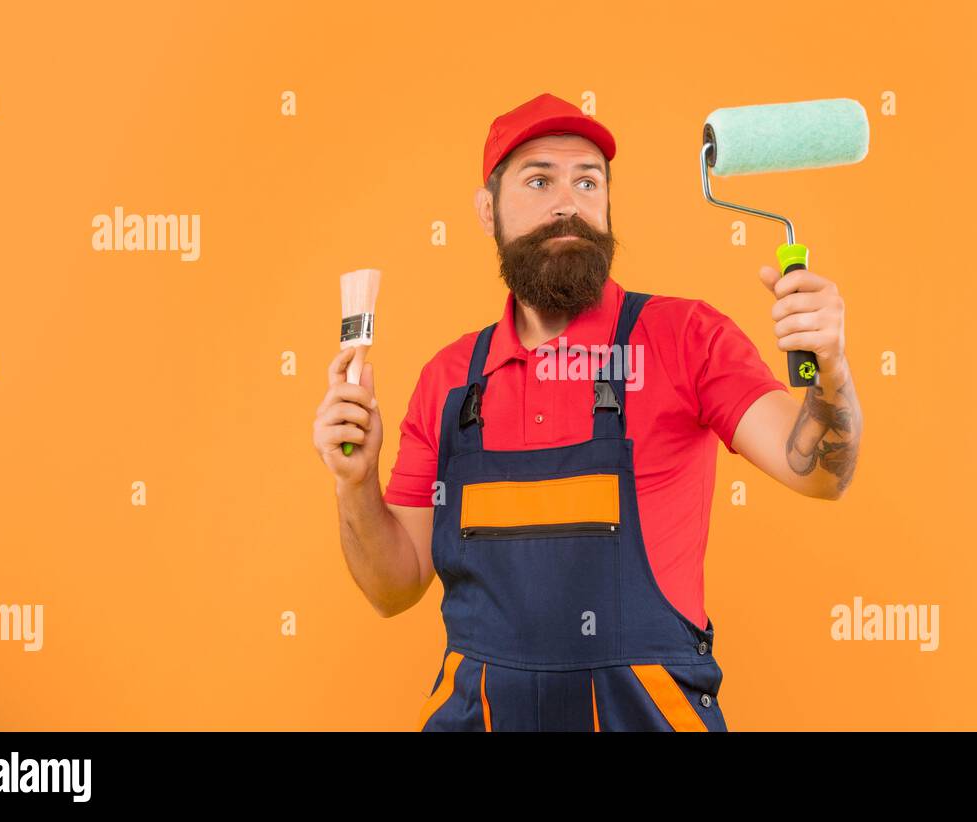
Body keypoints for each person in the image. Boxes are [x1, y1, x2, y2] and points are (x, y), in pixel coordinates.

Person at [312, 92, 863, 731]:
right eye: (539, 180)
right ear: (487, 210)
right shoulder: (449, 382)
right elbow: (391, 589)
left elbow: (822, 473)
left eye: (587, 180)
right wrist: (354, 485)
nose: (567, 201)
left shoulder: (686, 338)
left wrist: (831, 369)